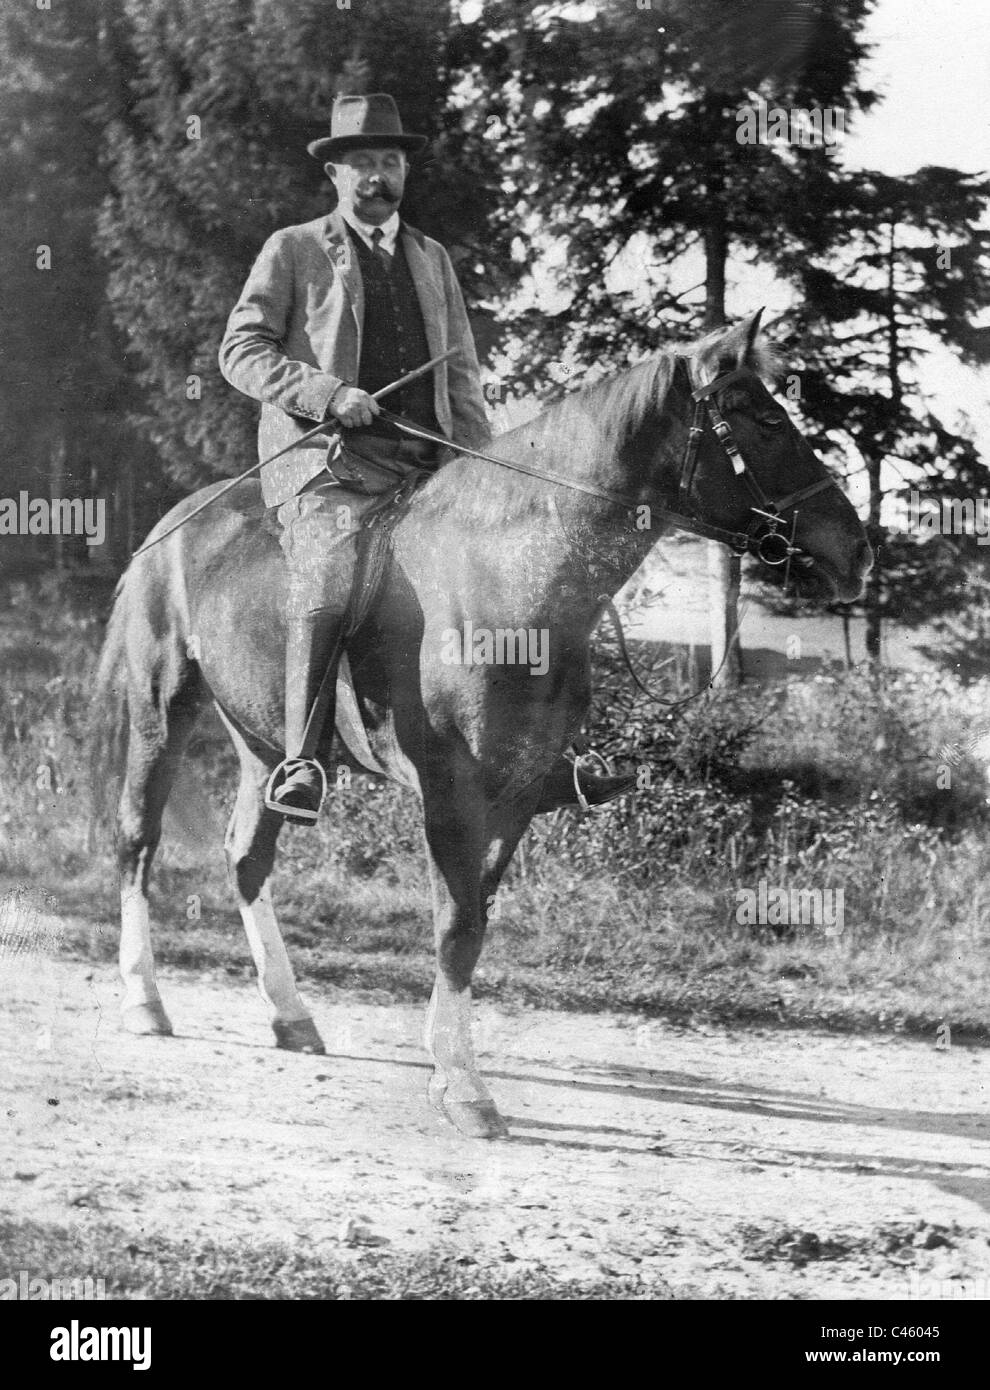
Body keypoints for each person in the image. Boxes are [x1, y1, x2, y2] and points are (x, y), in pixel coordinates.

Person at [220, 93, 631, 822]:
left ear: (404, 170)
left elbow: (462, 377)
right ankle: (301, 760)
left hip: (426, 466)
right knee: (329, 574)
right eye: (362, 165)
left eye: (390, 162)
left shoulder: (430, 258)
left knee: (529, 563)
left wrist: (486, 473)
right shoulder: (295, 249)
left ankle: (556, 751)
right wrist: (326, 391)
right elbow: (241, 351)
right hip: (328, 465)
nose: (378, 177)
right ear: (336, 176)